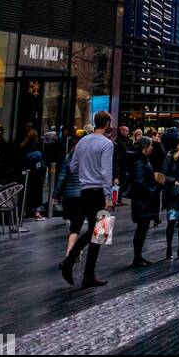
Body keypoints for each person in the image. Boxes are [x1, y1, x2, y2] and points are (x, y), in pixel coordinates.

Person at [59, 111, 115, 289]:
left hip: (84, 191)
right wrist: (109, 196)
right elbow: (106, 171)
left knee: (96, 232)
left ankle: (86, 272)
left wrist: (86, 170)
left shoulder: (82, 141)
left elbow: (72, 165)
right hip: (98, 191)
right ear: (107, 124)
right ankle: (77, 265)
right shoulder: (107, 144)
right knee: (99, 233)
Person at [129, 136, 163, 268]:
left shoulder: (144, 161)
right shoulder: (139, 162)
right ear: (144, 147)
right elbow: (139, 181)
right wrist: (151, 190)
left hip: (144, 201)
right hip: (142, 201)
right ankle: (137, 257)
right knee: (141, 229)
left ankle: (138, 256)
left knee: (143, 229)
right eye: (150, 145)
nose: (152, 148)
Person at [54, 137, 84, 262]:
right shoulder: (86, 159)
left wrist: (56, 195)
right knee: (77, 227)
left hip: (69, 196)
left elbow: (62, 177)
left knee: (74, 224)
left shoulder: (68, 157)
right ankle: (70, 253)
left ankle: (75, 251)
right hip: (81, 195)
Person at [161, 141, 179, 260]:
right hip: (172, 195)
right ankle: (169, 248)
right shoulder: (169, 158)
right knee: (171, 223)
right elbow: (162, 176)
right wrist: (173, 181)